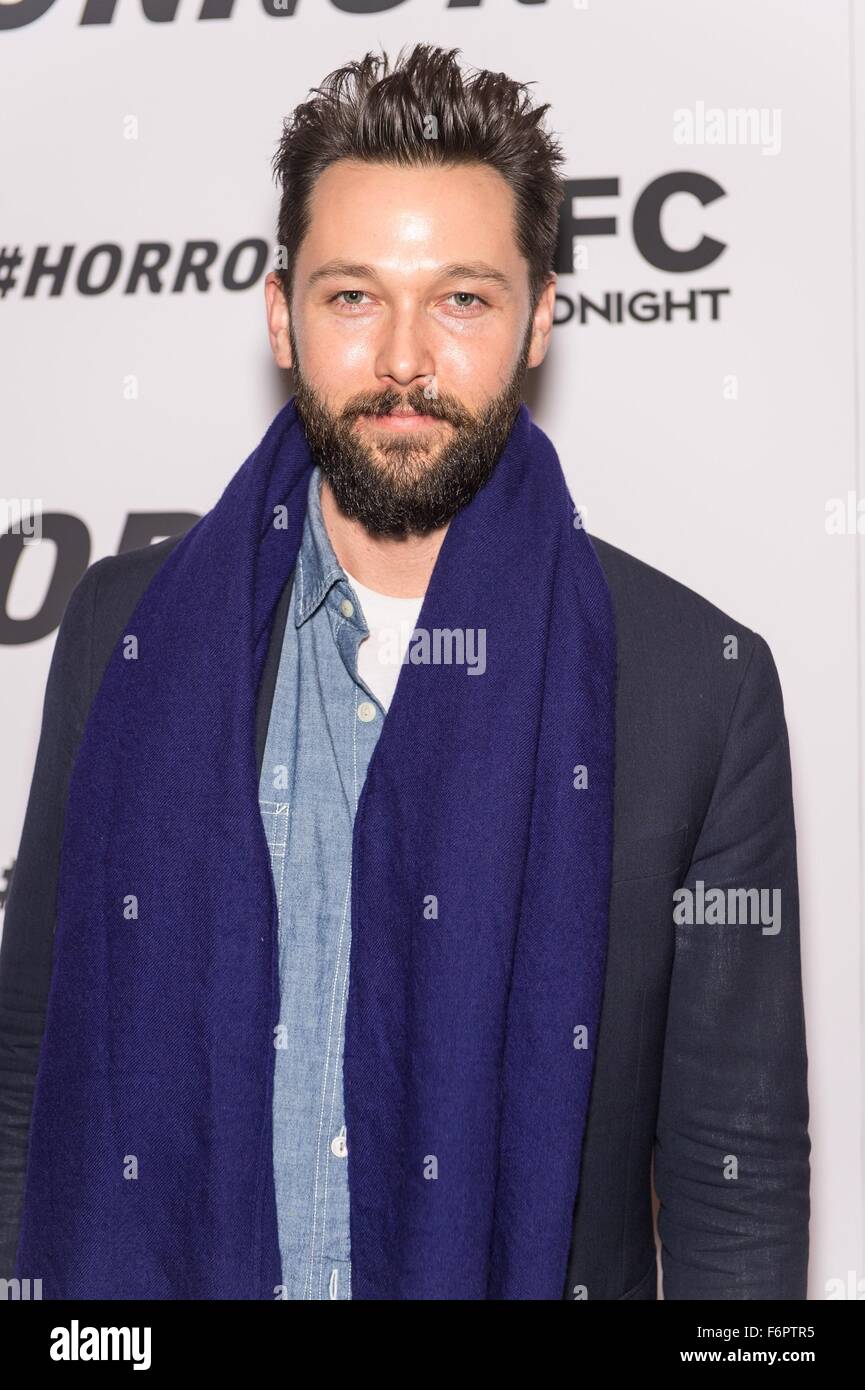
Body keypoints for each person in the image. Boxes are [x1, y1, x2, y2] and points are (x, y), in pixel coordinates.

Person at [0, 42, 809, 1301]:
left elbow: (734, 1174)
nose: (403, 360)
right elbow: (27, 1067)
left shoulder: (693, 684)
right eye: (353, 297)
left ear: (543, 315)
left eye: (464, 300)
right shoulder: (124, 629)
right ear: (280, 314)